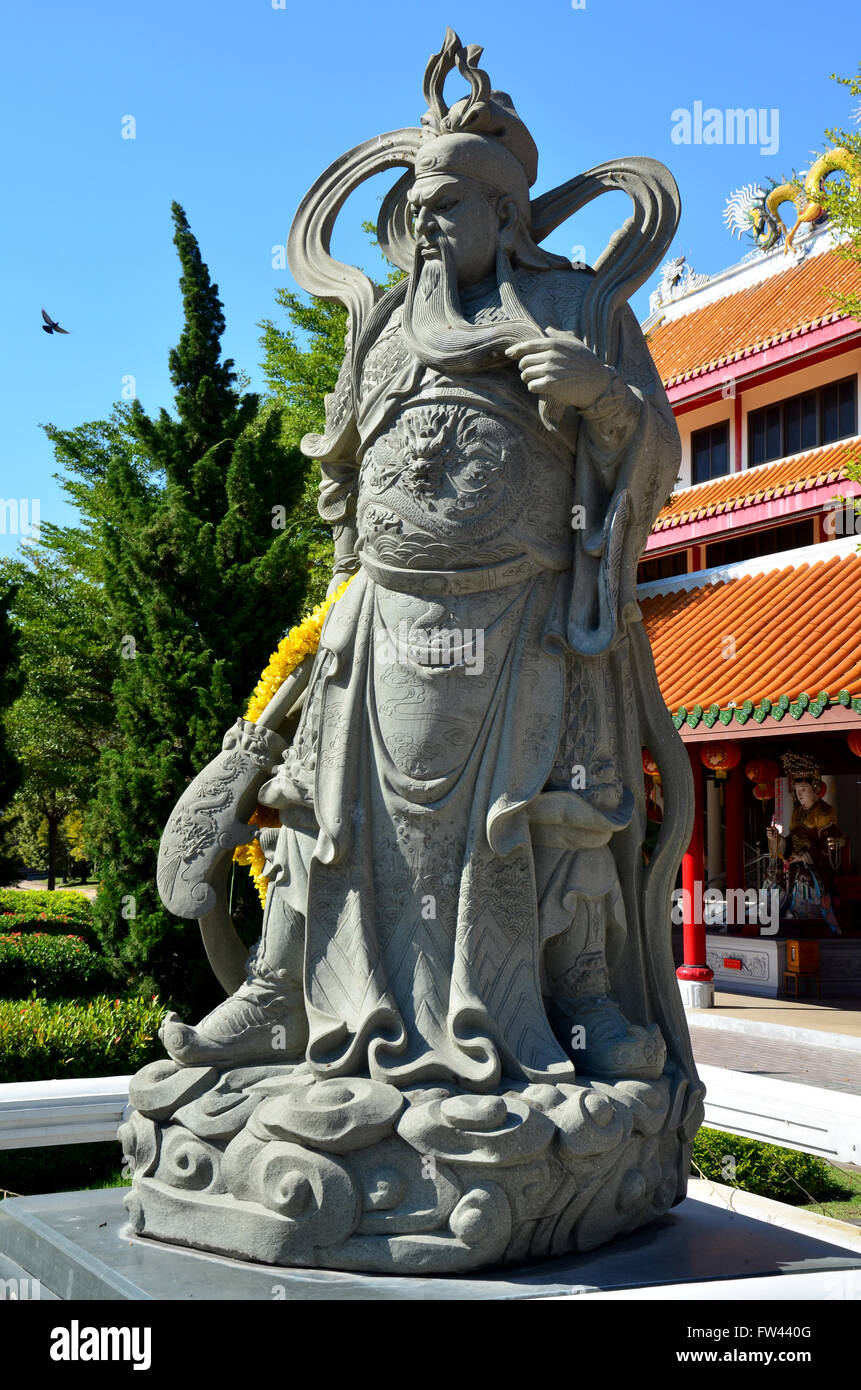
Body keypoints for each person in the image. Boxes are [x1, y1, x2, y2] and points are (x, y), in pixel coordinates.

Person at [159, 32, 692, 1092]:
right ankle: (284, 989)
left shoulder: (581, 309)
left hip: (527, 612)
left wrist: (602, 399)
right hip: (390, 617)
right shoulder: (390, 334)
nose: (428, 227)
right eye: (419, 210)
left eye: (451, 207)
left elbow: (658, 454)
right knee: (321, 807)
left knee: (563, 801)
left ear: (506, 215)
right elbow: (347, 486)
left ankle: (576, 995)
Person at [767, 752, 846, 934]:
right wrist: (776, 839)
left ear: (815, 789)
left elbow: (831, 841)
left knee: (804, 877)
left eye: (803, 790)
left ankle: (809, 917)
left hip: (816, 863)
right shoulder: (797, 813)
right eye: (796, 790)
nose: (799, 794)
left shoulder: (824, 811)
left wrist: (804, 857)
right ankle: (776, 916)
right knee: (774, 874)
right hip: (796, 860)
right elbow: (790, 840)